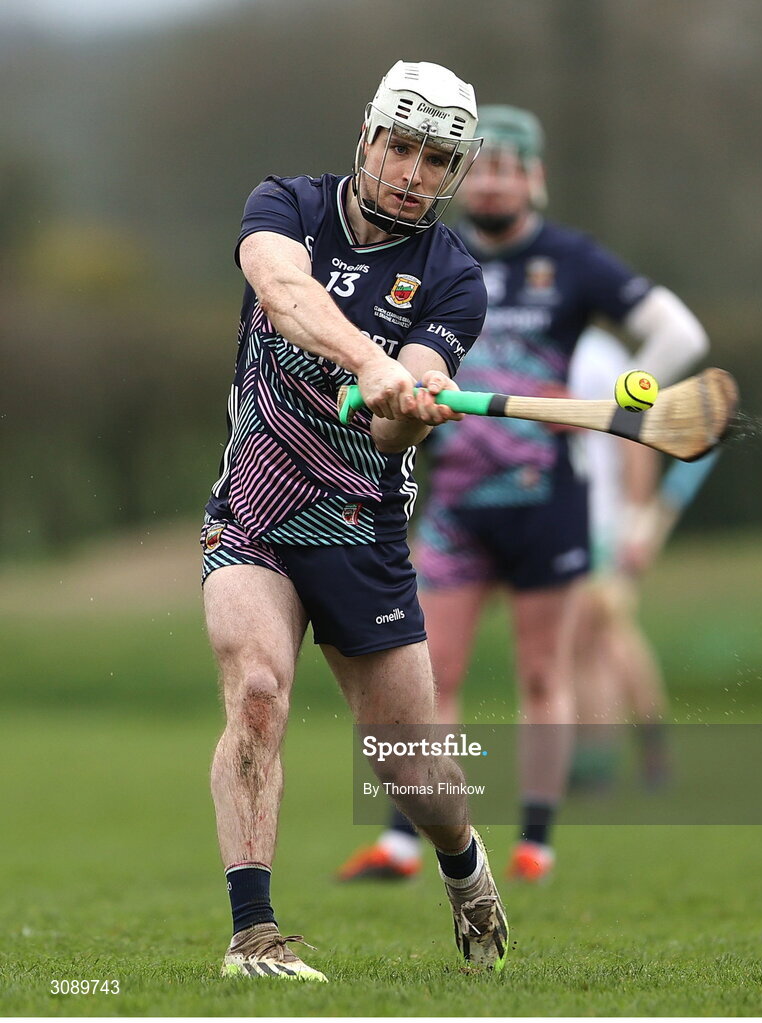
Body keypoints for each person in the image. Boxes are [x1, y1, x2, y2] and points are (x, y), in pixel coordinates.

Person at [337, 104, 708, 884]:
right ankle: (411, 839)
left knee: (543, 674)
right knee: (430, 672)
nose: (496, 182)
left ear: (533, 177)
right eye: (486, 166)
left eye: (513, 167)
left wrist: (613, 394)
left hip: (546, 502)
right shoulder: (434, 257)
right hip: (457, 501)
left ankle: (535, 840)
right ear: (467, 175)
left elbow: (678, 333)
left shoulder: (571, 259)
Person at [201, 60, 509, 981]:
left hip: (358, 532)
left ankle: (464, 866)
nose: (412, 171)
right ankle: (252, 934)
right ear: (370, 137)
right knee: (257, 692)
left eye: (435, 157)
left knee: (411, 769)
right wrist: (365, 355)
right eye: (402, 146)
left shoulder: (453, 277)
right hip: (251, 518)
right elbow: (282, 292)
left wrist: (411, 404)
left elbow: (386, 423)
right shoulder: (286, 203)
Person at [568, 328, 722, 789]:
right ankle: (632, 749)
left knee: (594, 638)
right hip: (566, 524)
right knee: (604, 637)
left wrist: (635, 524)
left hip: (599, 526)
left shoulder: (599, 355)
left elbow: (636, 442)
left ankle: (602, 757)